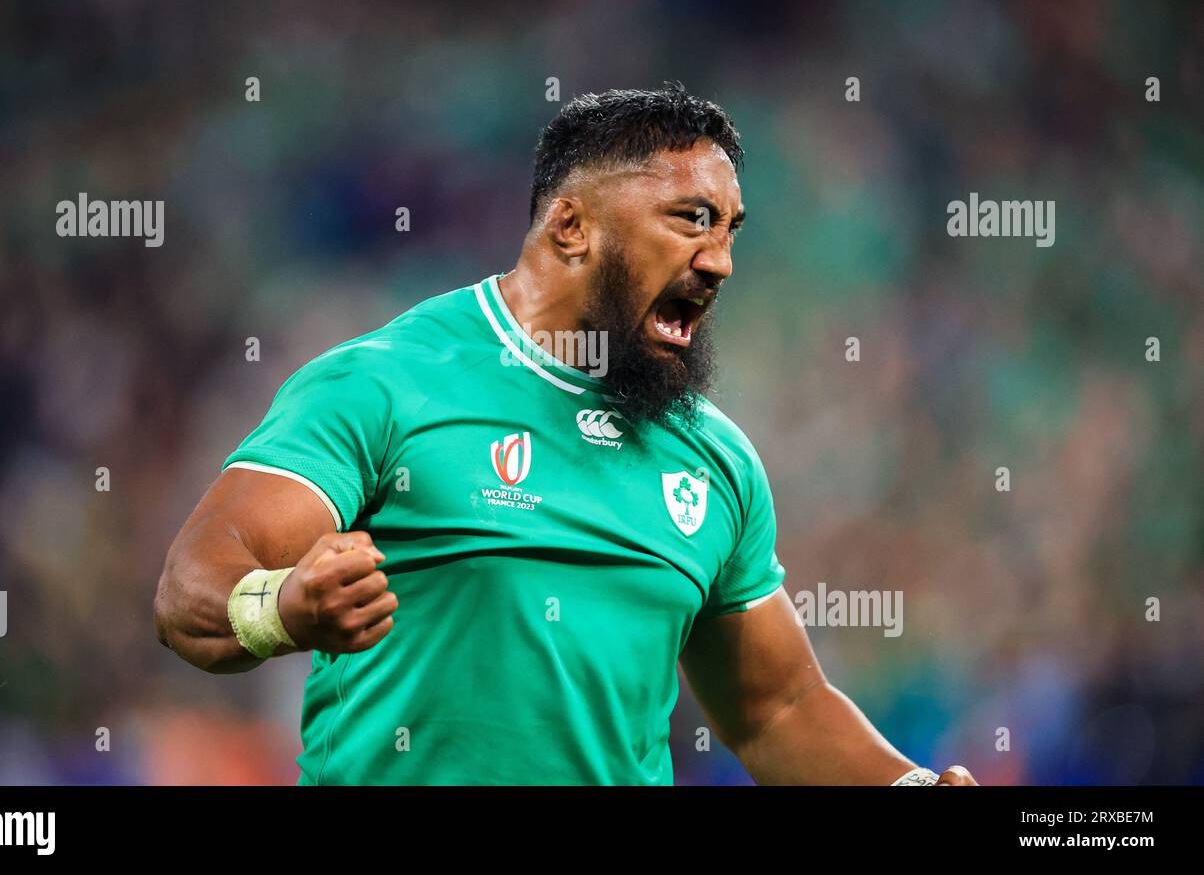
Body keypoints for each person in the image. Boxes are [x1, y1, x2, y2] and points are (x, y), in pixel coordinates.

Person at [154, 82, 976, 786]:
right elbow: (191, 590)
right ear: (571, 227)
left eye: (729, 228)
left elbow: (777, 709)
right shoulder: (384, 385)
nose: (719, 260)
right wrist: (283, 612)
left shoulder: (714, 458)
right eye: (691, 219)